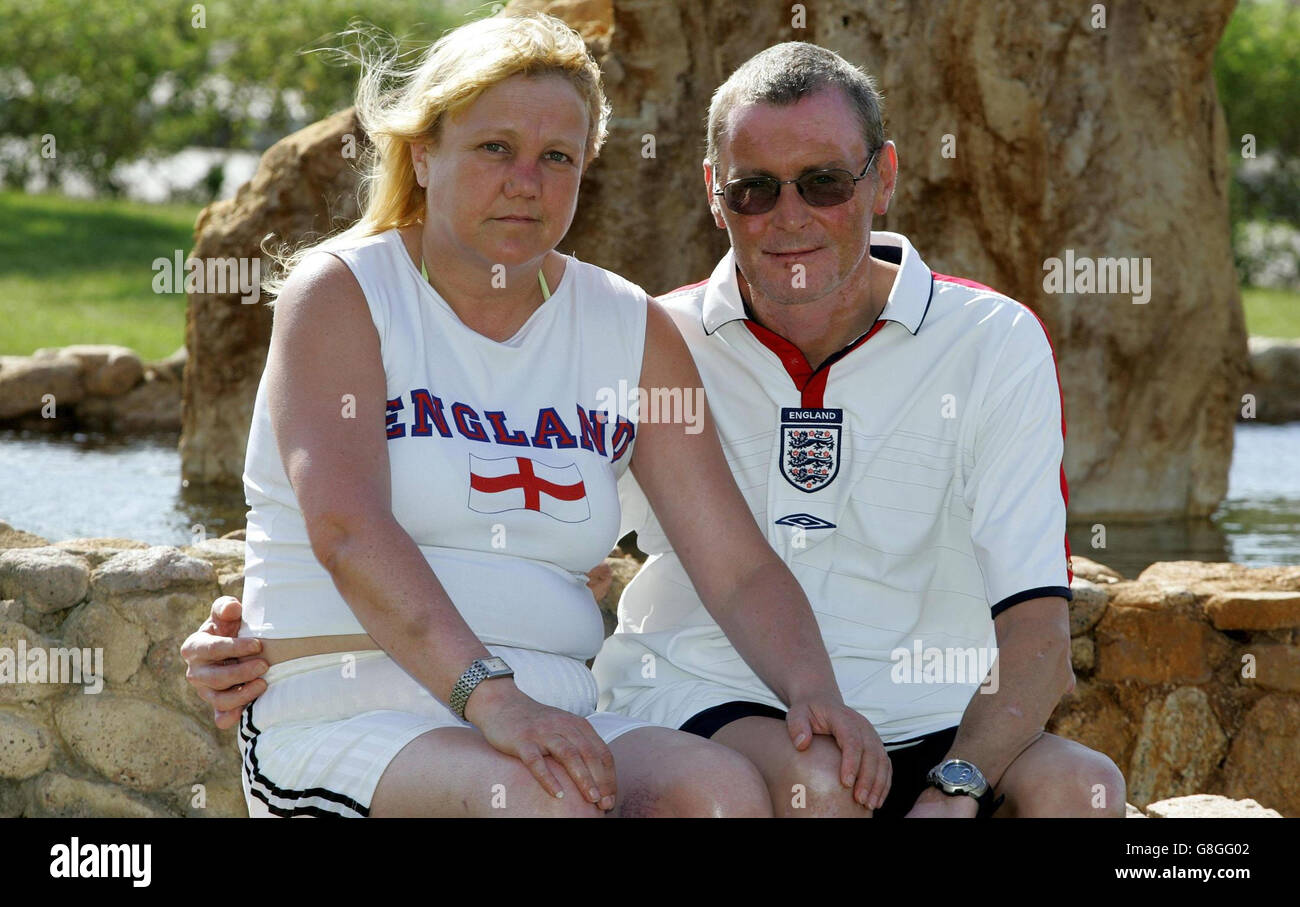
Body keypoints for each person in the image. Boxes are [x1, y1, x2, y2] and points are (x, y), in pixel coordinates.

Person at [186, 37, 1127, 818]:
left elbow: (736, 563)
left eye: (557, 157)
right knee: (554, 800)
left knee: (716, 793)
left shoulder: (625, 325)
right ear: (422, 153)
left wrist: (818, 697)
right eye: (494, 149)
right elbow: (342, 524)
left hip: (562, 712)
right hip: (376, 701)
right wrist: (484, 694)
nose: (526, 181)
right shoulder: (345, 291)